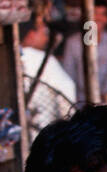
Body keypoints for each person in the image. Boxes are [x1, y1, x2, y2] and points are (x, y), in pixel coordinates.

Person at [20, 12, 77, 143]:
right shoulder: (45, 60)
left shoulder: (10, 59)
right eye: (43, 33)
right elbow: (67, 91)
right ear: (30, 34)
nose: (46, 39)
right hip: (46, 135)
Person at [61, 1, 107, 105]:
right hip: (76, 104)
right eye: (95, 13)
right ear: (85, 16)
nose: (98, 18)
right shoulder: (73, 43)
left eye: (103, 14)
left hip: (106, 105)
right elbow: (67, 78)